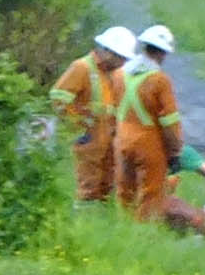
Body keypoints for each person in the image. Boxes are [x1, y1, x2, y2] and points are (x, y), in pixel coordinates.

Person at [50, 26, 133, 204]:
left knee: (109, 184)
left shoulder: (117, 74)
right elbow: (59, 98)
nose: (123, 63)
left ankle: (101, 219)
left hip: (110, 138)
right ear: (108, 52)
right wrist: (79, 126)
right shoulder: (82, 67)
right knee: (87, 184)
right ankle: (84, 217)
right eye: (121, 58)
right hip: (88, 139)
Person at [113, 32, 184, 221]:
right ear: (162, 54)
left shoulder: (119, 75)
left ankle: (123, 229)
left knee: (124, 191)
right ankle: (144, 235)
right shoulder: (160, 80)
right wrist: (175, 151)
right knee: (151, 195)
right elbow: (170, 121)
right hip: (148, 145)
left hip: (121, 142)